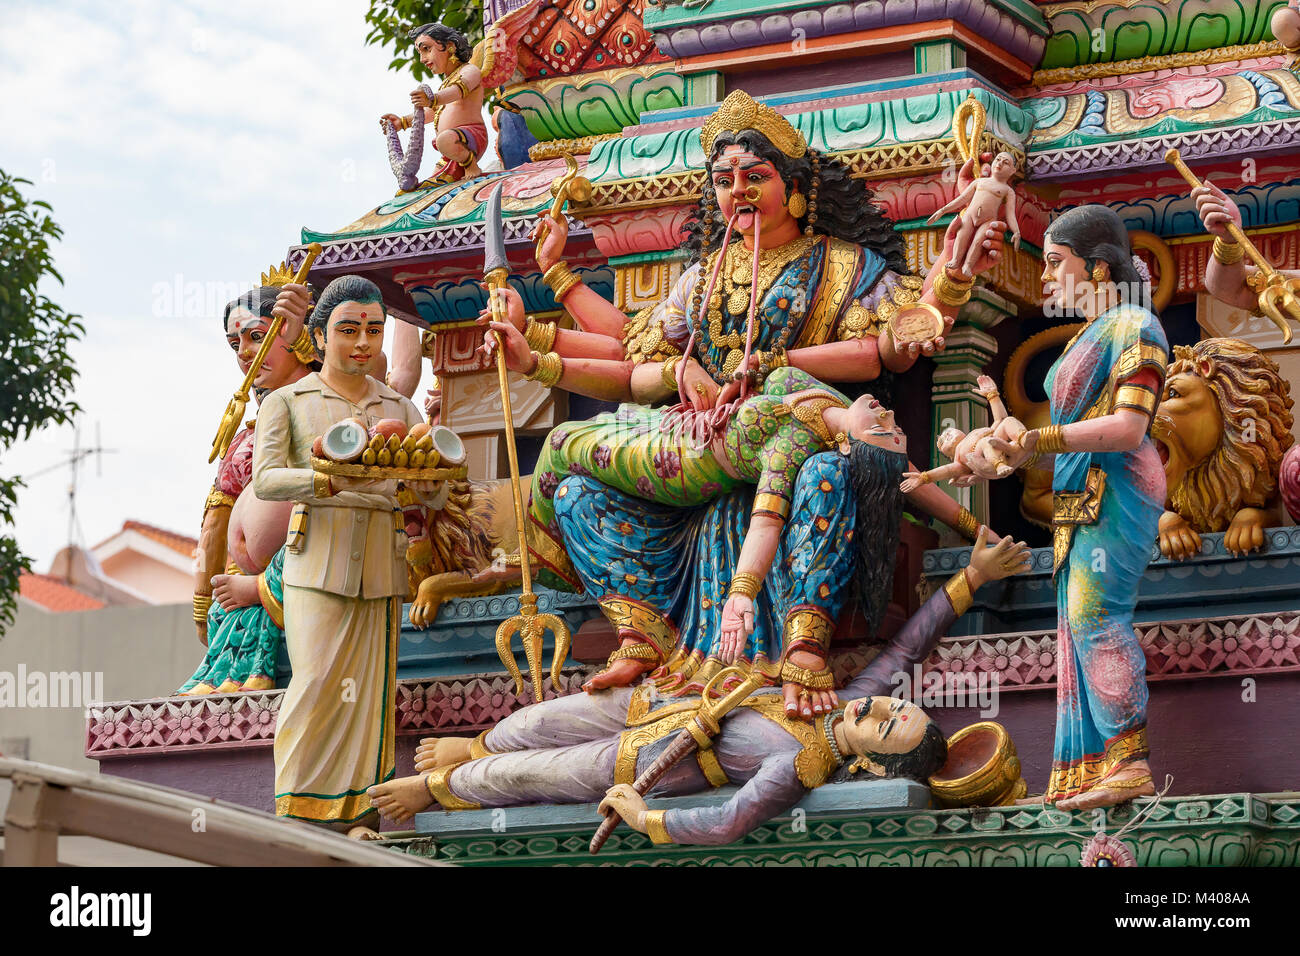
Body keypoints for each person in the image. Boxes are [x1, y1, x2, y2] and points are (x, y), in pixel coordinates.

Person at [478, 90, 1009, 718]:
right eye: (725, 180)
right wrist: (538, 329)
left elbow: (894, 345)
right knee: (572, 488)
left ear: (797, 190)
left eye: (756, 177)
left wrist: (954, 266)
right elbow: (631, 353)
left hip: (799, 427)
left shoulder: (841, 265)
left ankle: (804, 646)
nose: (740, 191)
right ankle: (640, 630)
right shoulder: (704, 277)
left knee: (829, 472)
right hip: (703, 443)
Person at [365, 528, 1031, 844]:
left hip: (644, 762)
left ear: (864, 760)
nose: (882, 705)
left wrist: (644, 817)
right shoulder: (848, 702)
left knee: (529, 774)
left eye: (885, 724)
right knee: (531, 725)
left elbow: (729, 819)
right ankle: (474, 746)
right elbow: (909, 647)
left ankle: (435, 787)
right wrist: (971, 578)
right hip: (659, 699)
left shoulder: (799, 766)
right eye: (895, 707)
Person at [961, 204, 1168, 811]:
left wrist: (1039, 440)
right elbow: (1054, 441)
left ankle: (1129, 761)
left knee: (1094, 616)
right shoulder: (1087, 335)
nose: (1045, 279)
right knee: (1081, 622)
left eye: (1055, 263)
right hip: (1078, 495)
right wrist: (1003, 446)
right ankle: (1098, 765)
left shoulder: (1135, 325)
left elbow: (1130, 427)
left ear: (1100, 268)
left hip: (1121, 485)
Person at [251, 275, 435, 836]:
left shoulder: (398, 406)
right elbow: (266, 481)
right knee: (315, 684)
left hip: (380, 564)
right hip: (317, 562)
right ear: (319, 333)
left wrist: (429, 482)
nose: (362, 343)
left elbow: (431, 487)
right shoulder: (288, 401)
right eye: (348, 330)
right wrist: (328, 482)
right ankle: (297, 813)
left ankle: (359, 814)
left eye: (374, 331)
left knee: (371, 698)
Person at [183, 283, 314, 694]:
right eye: (235, 342)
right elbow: (216, 518)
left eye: (258, 336)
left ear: (298, 334)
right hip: (234, 598)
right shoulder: (244, 437)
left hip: (298, 582)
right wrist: (204, 599)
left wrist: (258, 589)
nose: (244, 352)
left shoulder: (324, 409)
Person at [380, 23, 486, 187]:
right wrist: (403, 122)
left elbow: (457, 92)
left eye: (426, 49)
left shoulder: (469, 71)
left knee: (444, 140)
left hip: (467, 138)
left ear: (449, 46)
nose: (422, 59)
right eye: (420, 53)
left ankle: (471, 166)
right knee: (431, 185)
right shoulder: (446, 83)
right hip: (449, 152)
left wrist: (432, 99)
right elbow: (433, 111)